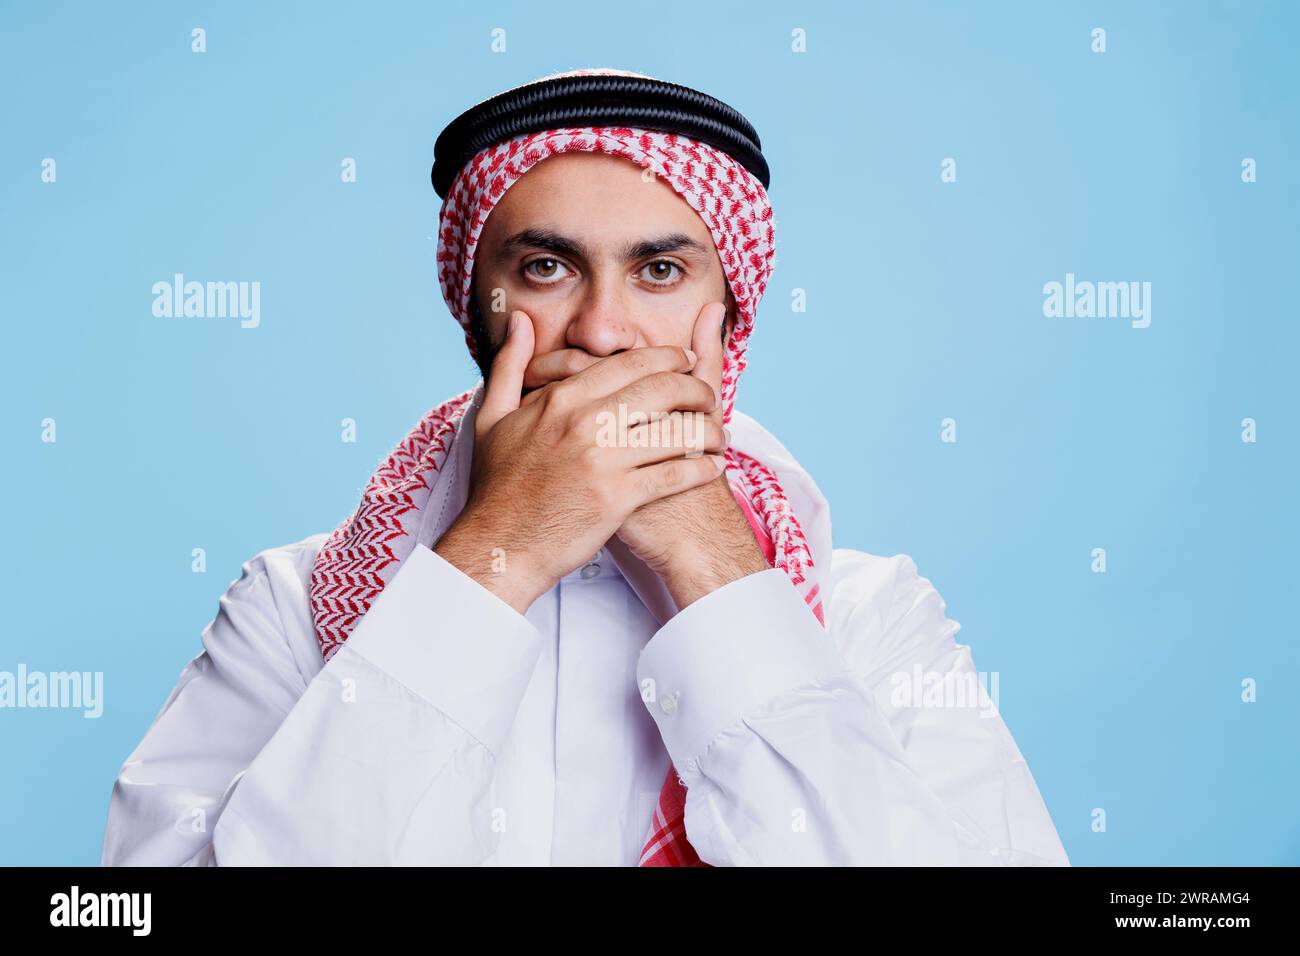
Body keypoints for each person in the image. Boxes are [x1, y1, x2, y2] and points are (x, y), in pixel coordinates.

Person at [101, 68, 1070, 866]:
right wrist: (498, 554)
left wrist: (715, 568)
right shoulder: (294, 606)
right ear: (475, 307)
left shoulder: (869, 621)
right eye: (547, 267)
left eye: (659, 271)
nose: (603, 331)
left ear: (729, 314)